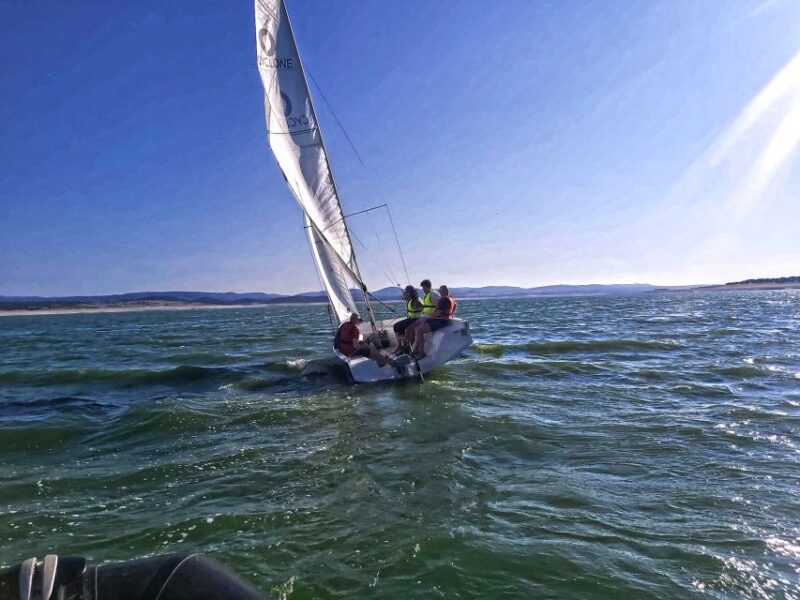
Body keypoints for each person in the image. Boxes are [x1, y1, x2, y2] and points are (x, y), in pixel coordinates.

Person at [410, 285, 457, 359]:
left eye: (440, 291)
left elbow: (437, 314)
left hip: (441, 321)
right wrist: (450, 315)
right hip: (444, 320)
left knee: (418, 330)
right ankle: (415, 350)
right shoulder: (451, 298)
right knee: (420, 326)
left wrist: (429, 316)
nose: (439, 292)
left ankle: (421, 353)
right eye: (439, 291)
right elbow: (455, 306)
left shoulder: (444, 300)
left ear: (445, 291)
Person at [404, 279, 440, 351]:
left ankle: (412, 349)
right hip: (423, 317)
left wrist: (433, 317)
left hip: (428, 317)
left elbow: (439, 307)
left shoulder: (434, 295)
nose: (423, 290)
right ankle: (410, 348)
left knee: (410, 329)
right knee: (409, 330)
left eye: (424, 288)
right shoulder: (427, 295)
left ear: (428, 287)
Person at [392, 285, 423, 355]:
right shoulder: (410, 299)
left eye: (407, 292)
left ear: (411, 293)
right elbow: (405, 298)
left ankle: (405, 346)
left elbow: (422, 308)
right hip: (410, 319)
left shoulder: (416, 300)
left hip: (415, 319)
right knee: (396, 326)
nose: (406, 294)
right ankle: (399, 346)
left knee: (403, 329)